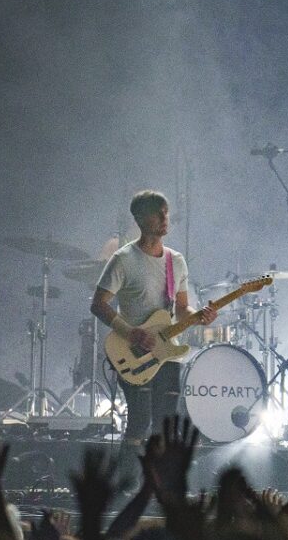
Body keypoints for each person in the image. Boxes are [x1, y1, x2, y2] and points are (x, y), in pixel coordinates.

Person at [89, 191, 216, 451]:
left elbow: (181, 309)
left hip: (167, 354)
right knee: (139, 422)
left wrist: (198, 317)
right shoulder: (123, 259)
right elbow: (98, 304)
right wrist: (131, 333)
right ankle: (127, 485)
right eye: (157, 212)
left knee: (165, 426)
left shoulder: (176, 261)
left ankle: (158, 486)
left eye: (166, 212)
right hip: (133, 352)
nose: (163, 217)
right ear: (139, 218)